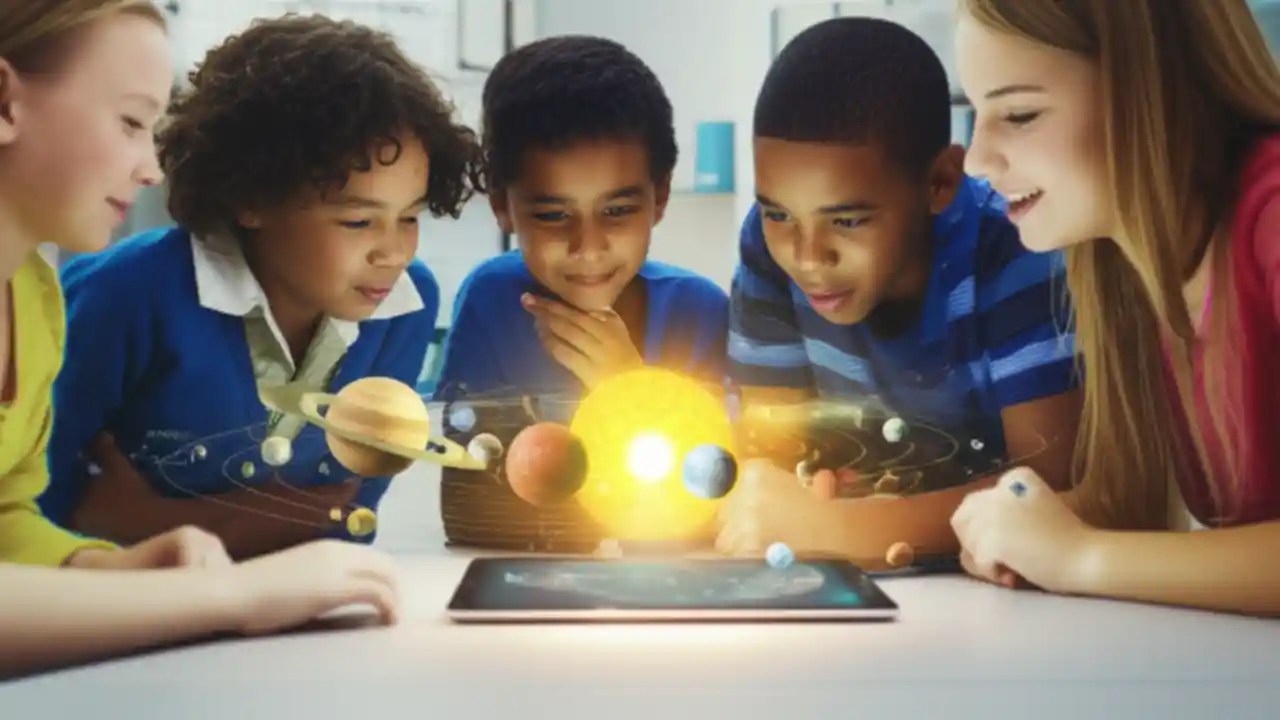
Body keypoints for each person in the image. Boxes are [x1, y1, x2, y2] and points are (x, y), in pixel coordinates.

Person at [0, 0, 400, 678]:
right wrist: (227, 597)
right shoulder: (117, 289)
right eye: (131, 122)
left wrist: (112, 568)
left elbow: (7, 519)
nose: (151, 169)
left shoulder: (33, 299)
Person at [39, 13, 480, 560]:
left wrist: (147, 518)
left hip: (288, 604)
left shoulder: (405, 308)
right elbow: (36, 508)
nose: (394, 253)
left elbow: (346, 521)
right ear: (252, 198)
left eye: (409, 217)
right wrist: (277, 516)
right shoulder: (122, 296)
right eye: (358, 221)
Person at [951, 0, 1280, 616]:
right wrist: (1021, 529)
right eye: (976, 112)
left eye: (1019, 115)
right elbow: (1129, 506)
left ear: (1155, 90)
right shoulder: (1122, 266)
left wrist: (1079, 557)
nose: (975, 161)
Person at [716, 17, 1081, 561]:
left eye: (847, 221)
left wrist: (845, 530)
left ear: (940, 182)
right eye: (778, 213)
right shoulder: (767, 250)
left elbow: (1053, 484)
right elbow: (774, 466)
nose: (807, 257)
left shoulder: (1014, 244)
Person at [433, 36, 728, 551]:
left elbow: (715, 507)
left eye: (617, 211)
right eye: (553, 215)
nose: (588, 248)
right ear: (502, 205)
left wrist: (627, 388)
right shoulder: (492, 301)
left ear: (659, 196)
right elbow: (471, 507)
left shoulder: (699, 313)